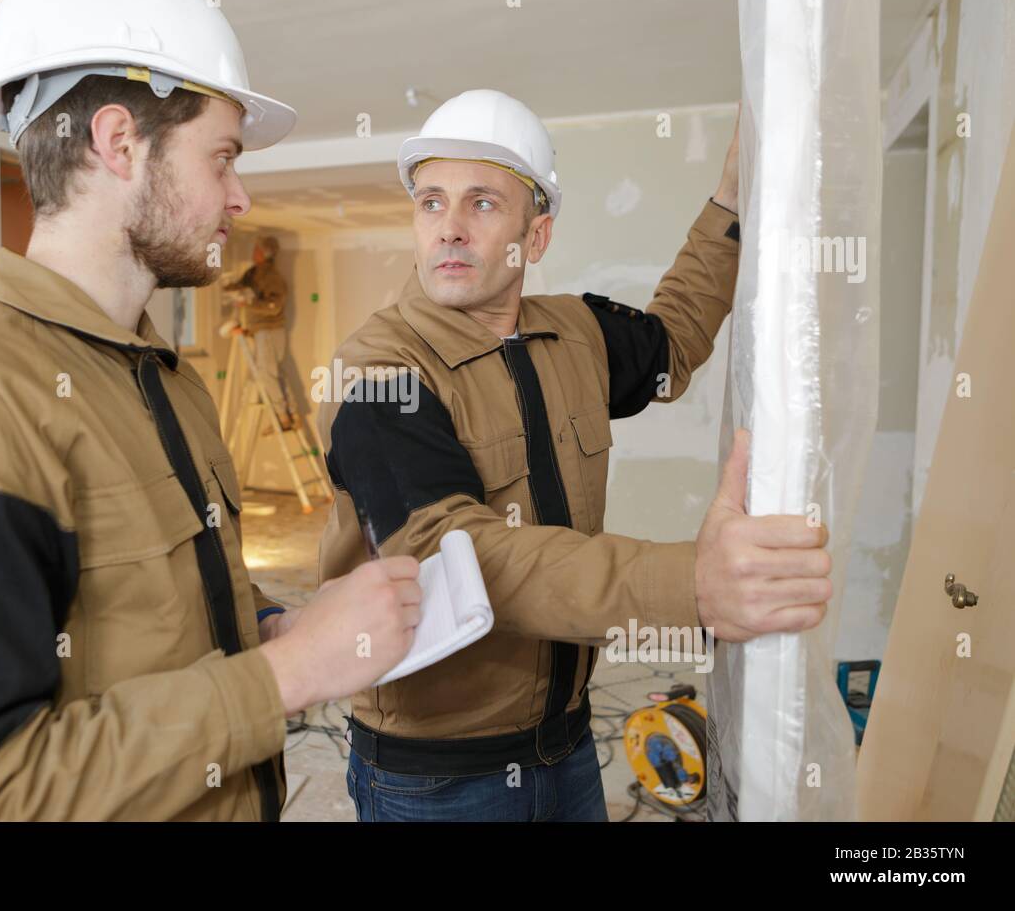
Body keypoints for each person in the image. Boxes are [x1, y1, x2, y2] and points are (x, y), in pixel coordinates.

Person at [0, 0, 420, 821]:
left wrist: (283, 628)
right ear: (118, 143)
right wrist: (287, 675)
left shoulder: (166, 385)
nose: (241, 197)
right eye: (223, 158)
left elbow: (165, 620)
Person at [310, 90, 833, 822]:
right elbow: (453, 554)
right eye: (431, 202)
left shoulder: (573, 333)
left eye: (483, 203)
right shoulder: (379, 371)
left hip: (568, 744)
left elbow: (671, 341)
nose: (450, 230)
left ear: (539, 233)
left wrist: (730, 202)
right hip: (441, 779)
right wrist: (694, 582)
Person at [224, 235, 295, 429]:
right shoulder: (253, 273)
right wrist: (222, 284)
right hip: (260, 330)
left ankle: (283, 416)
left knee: (267, 373)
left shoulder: (272, 277)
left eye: (257, 250)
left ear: (266, 254)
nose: (253, 253)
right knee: (274, 373)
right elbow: (239, 286)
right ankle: (291, 415)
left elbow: (273, 306)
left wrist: (248, 302)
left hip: (270, 330)